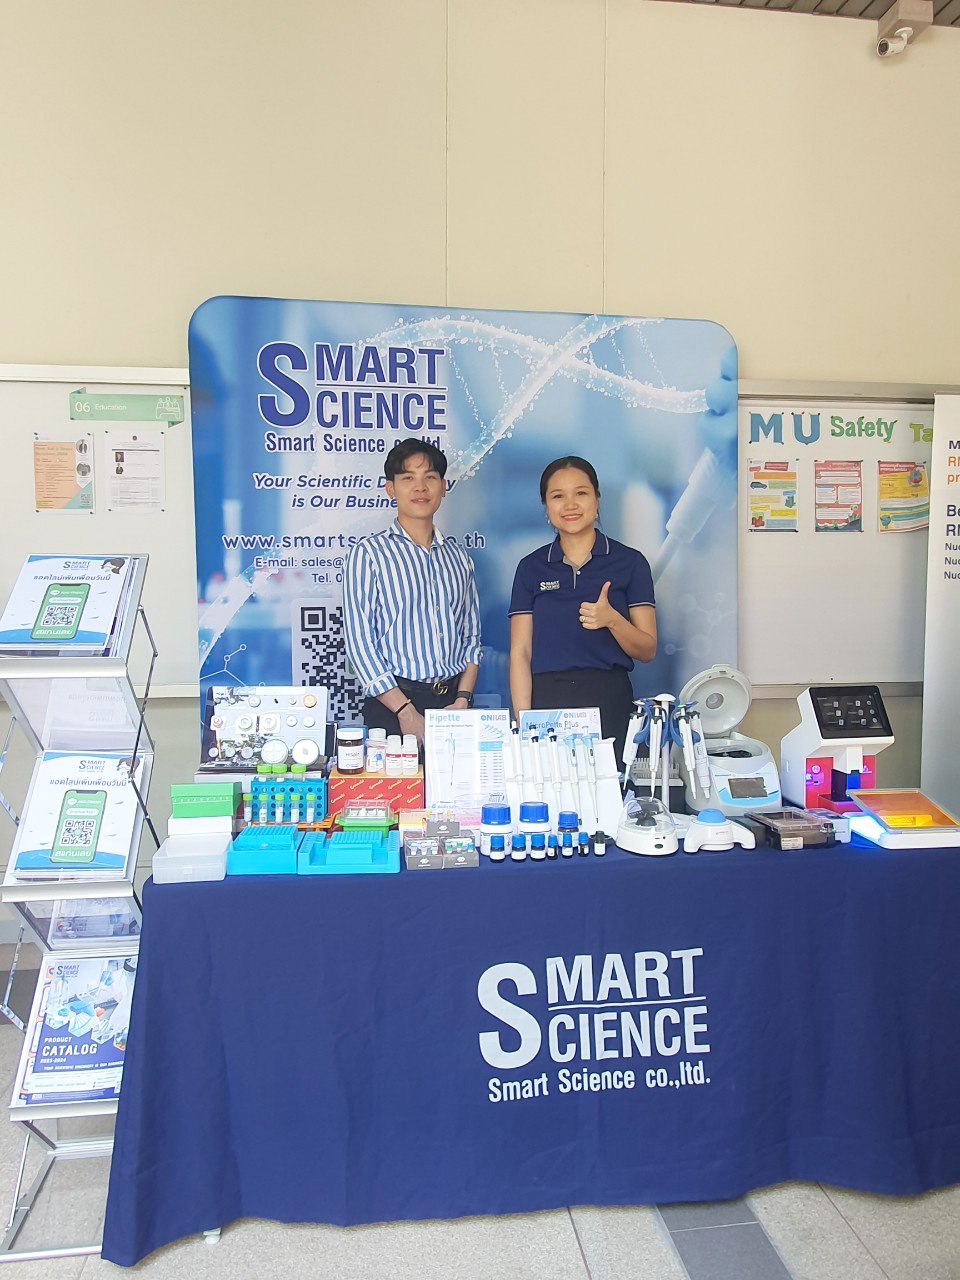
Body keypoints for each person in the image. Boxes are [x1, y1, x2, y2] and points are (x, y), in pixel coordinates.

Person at [509, 455, 657, 763]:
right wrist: (525, 724)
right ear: (546, 507)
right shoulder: (531, 568)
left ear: (597, 499)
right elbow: (520, 652)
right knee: (550, 788)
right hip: (547, 704)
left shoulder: (630, 562)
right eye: (557, 496)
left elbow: (647, 650)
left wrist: (612, 620)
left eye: (581, 493)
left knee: (610, 788)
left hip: (609, 700)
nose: (570, 504)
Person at [343, 439, 481, 743]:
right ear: (390, 489)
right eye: (408, 478)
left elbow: (471, 638)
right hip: (393, 707)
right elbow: (359, 644)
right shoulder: (369, 554)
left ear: (443, 487)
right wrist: (405, 711)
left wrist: (463, 699)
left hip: (452, 705)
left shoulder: (459, 558)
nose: (420, 487)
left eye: (430, 477)